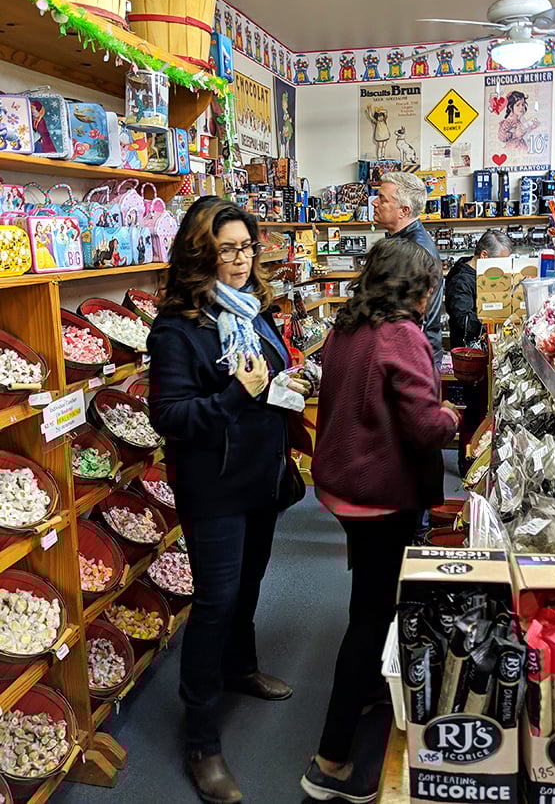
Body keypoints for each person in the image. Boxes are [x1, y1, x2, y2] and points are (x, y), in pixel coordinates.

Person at [148, 198, 307, 804]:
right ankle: (202, 741)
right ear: (201, 252)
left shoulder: (254, 310)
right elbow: (170, 416)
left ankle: (241, 668)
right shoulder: (177, 327)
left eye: (247, 247)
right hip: (212, 487)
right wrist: (237, 397)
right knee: (214, 603)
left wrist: (286, 384)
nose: (241, 260)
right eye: (228, 249)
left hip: (260, 477)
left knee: (249, 585)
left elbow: (267, 376)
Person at [300, 238, 460, 803]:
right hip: (380, 492)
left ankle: (368, 686)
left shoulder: (346, 326)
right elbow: (422, 424)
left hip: (342, 484)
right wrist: (452, 417)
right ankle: (330, 761)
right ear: (417, 291)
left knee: (366, 594)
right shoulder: (403, 335)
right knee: (371, 617)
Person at [444, 229, 513, 476]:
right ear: (484, 255)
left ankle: (479, 458)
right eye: (500, 261)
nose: (504, 268)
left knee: (483, 407)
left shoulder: (482, 275)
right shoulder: (461, 279)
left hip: (483, 352)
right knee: (474, 409)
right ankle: (468, 463)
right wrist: (492, 318)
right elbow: (462, 318)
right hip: (470, 357)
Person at [372, 172, 444, 366]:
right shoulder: (402, 242)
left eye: (382, 199)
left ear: (404, 210)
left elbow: (413, 318)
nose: (374, 203)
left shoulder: (415, 251)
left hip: (413, 359)